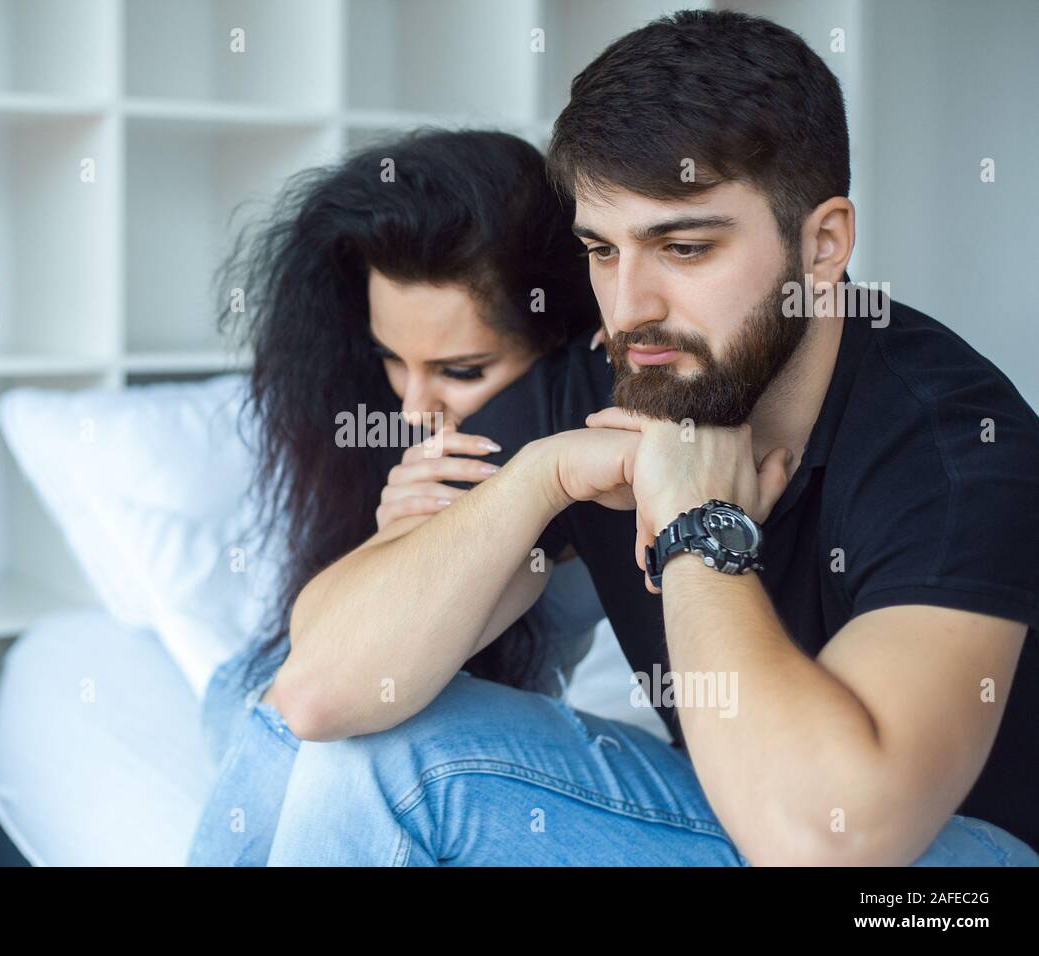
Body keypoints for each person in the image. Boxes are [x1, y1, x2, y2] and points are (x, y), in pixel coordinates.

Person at [260, 10, 1039, 866]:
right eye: (602, 249)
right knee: (372, 754)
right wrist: (541, 475)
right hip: (727, 804)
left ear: (822, 245)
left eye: (684, 247)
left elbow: (831, 837)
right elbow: (313, 692)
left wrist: (698, 524)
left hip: (944, 876)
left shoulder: (961, 449)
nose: (629, 308)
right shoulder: (605, 382)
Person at [187, 129, 605, 865]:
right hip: (266, 691)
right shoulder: (405, 444)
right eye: (391, 360)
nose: (413, 409)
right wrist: (396, 539)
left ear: (565, 340)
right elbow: (315, 693)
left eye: (462, 369)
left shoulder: (592, 432)